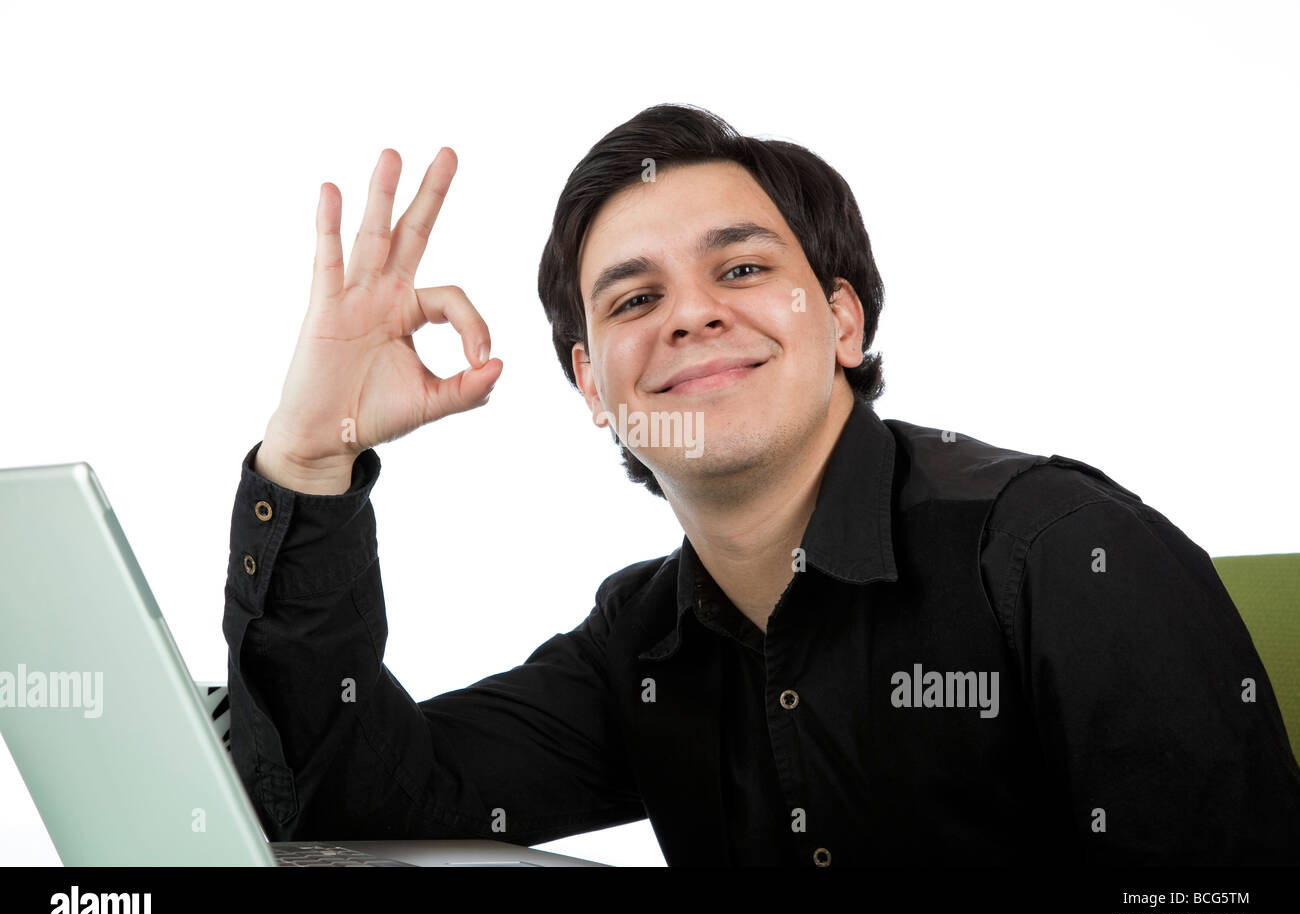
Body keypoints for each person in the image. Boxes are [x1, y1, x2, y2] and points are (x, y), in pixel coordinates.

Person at [224, 103, 1300, 866]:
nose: (689, 313)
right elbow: (352, 802)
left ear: (842, 319)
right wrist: (311, 459)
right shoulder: (639, 642)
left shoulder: (1063, 554)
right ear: (591, 383)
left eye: (740, 269)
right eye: (634, 298)